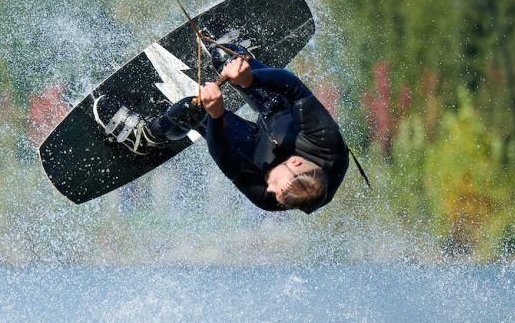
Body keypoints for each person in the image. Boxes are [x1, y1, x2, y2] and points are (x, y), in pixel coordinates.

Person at [93, 50, 348, 213]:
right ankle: (232, 56)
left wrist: (216, 116)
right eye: (274, 185)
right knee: (229, 60)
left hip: (253, 148)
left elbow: (224, 156)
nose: (268, 189)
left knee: (192, 108)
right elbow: (294, 88)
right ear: (295, 163)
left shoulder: (270, 199)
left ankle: (148, 136)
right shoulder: (327, 142)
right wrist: (250, 79)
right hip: (278, 112)